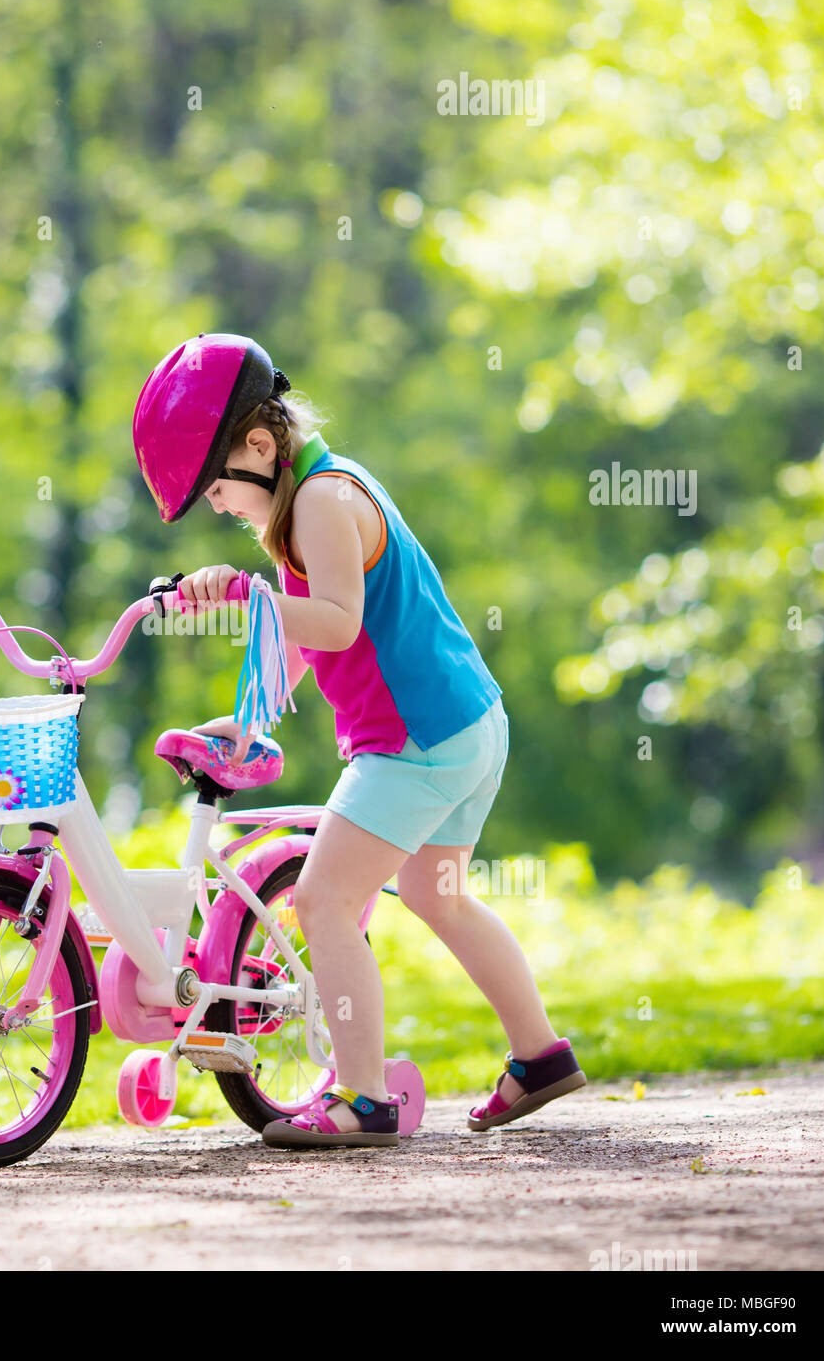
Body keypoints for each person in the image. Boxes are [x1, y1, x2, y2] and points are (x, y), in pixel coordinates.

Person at [132, 333, 586, 1148]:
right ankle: (540, 1056)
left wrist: (242, 597)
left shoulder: (321, 502)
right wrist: (257, 712)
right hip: (468, 725)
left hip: (415, 742)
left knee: (324, 902)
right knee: (435, 895)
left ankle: (364, 1098)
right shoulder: (312, 493)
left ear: (261, 448)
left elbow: (337, 624)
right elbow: (312, 637)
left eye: (216, 488)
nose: (218, 506)